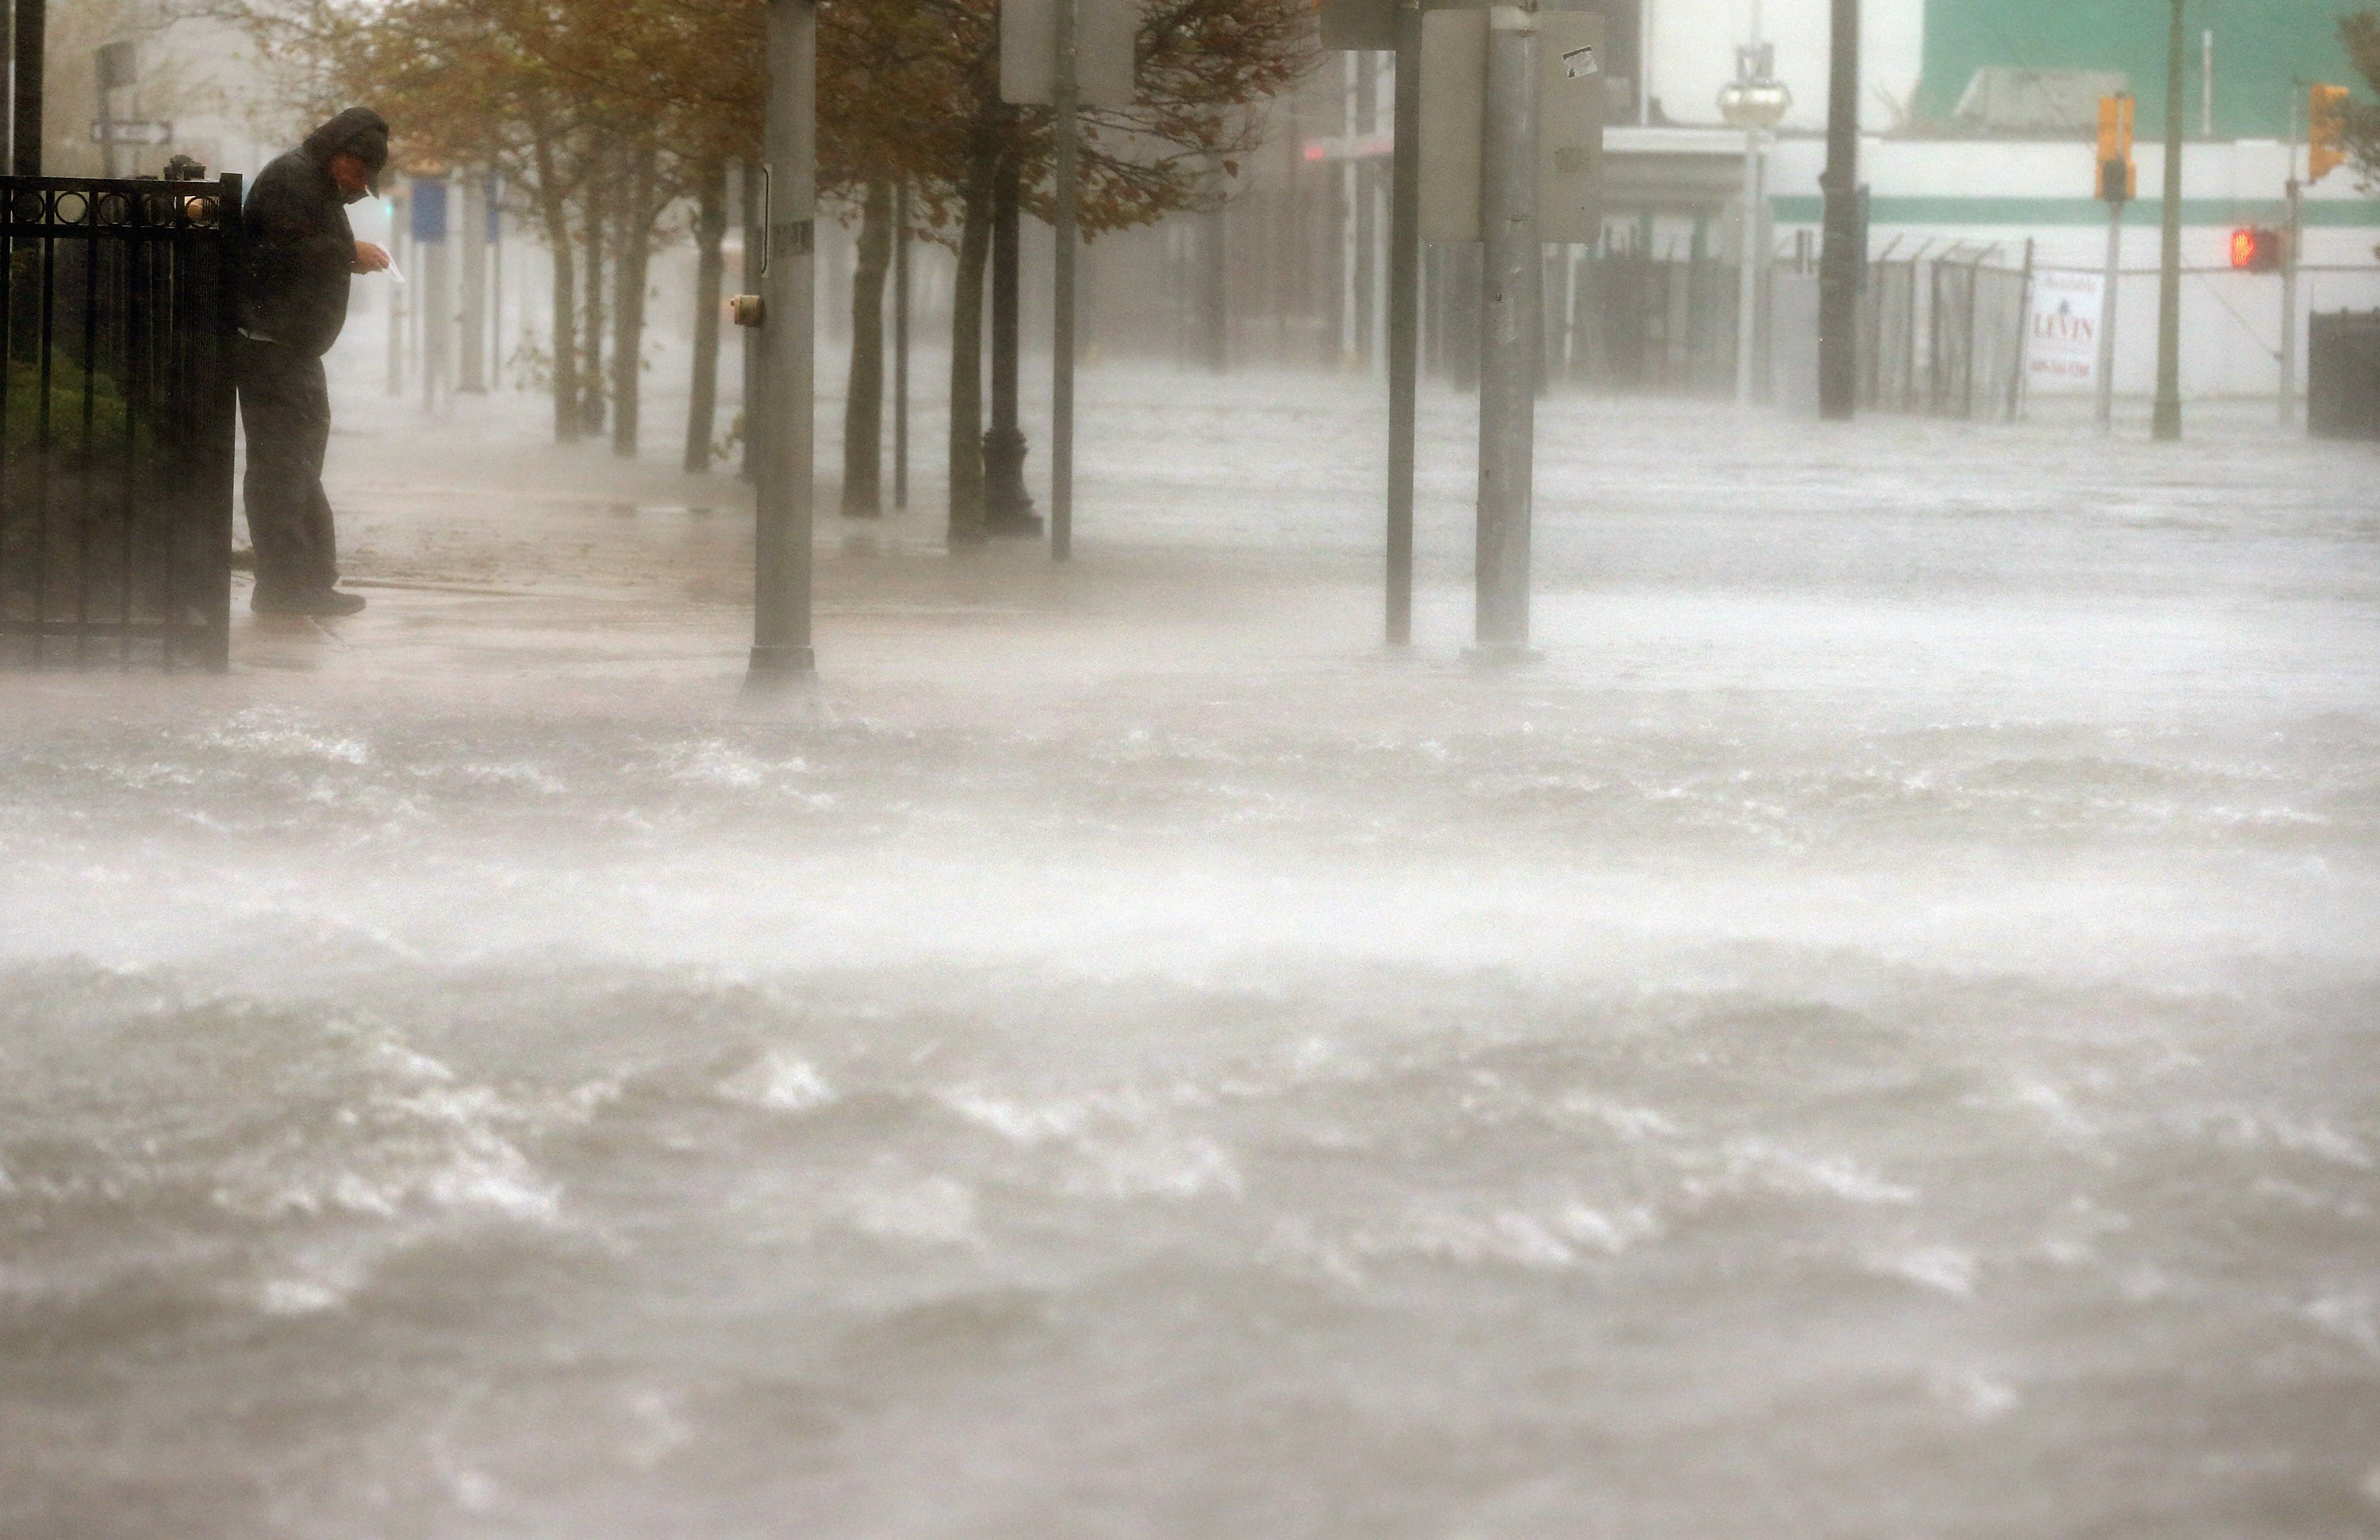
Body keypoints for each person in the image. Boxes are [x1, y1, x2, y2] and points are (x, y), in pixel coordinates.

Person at [237, 108, 393, 617]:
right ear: (342, 157)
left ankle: (303, 581)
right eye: (360, 173)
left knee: (296, 464)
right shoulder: (293, 179)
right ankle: (288, 585)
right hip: (274, 347)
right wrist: (351, 252)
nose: (361, 185)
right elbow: (283, 250)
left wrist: (347, 253)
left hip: (289, 348)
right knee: (285, 466)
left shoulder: (310, 181)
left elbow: (298, 248)